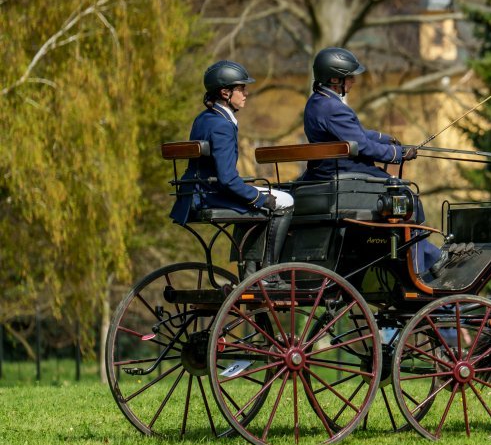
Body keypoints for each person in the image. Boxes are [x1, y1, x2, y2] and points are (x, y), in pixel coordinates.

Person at [300, 46, 438, 270]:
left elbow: (357, 134)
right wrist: (399, 154)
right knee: (409, 197)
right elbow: (362, 146)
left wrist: (385, 138)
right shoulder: (333, 108)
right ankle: (422, 263)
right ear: (335, 79)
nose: (353, 82)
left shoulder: (317, 102)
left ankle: (424, 255)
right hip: (345, 174)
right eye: (349, 77)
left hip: (326, 171)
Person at [170, 60, 294, 275]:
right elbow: (227, 179)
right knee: (284, 201)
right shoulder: (222, 126)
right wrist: (259, 198)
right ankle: (267, 274)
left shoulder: (205, 118)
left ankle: (250, 271)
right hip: (212, 194)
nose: (246, 93)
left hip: (196, 192)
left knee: (258, 197)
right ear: (225, 93)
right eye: (241, 88)